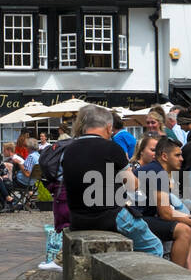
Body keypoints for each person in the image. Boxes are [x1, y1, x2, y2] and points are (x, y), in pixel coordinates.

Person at [60, 104, 162, 258]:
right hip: (110, 217)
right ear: (109, 128)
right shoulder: (112, 148)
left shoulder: (68, 150)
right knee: (154, 247)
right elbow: (132, 185)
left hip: (77, 219)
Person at [138, 136, 191, 270]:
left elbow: (165, 210)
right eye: (177, 155)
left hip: (138, 217)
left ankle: (183, 271)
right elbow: (165, 214)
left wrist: (190, 217)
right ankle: (175, 277)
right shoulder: (158, 173)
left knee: (185, 225)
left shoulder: (155, 169)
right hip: (135, 219)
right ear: (164, 156)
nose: (181, 159)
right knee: (185, 231)